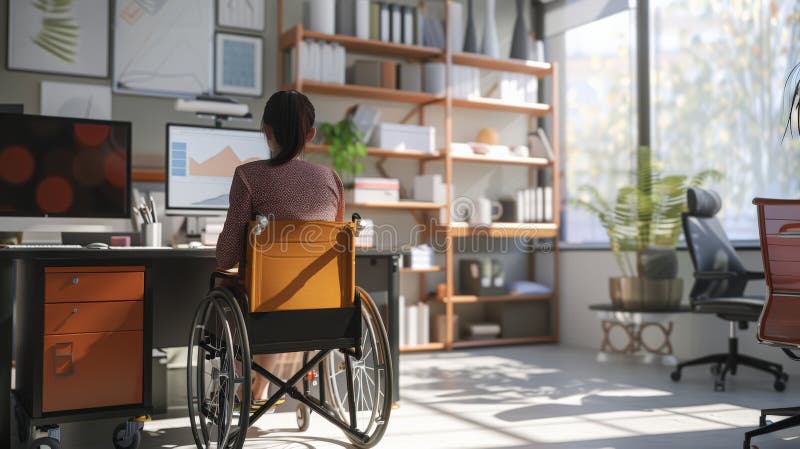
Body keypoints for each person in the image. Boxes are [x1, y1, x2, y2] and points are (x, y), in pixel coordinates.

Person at [215, 90, 344, 408]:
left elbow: (227, 254)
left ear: (266, 131)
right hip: (320, 308)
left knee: (240, 285)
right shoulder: (332, 179)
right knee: (286, 287)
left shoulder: (248, 176)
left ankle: (241, 383)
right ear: (311, 134)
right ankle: (259, 390)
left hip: (264, 303)